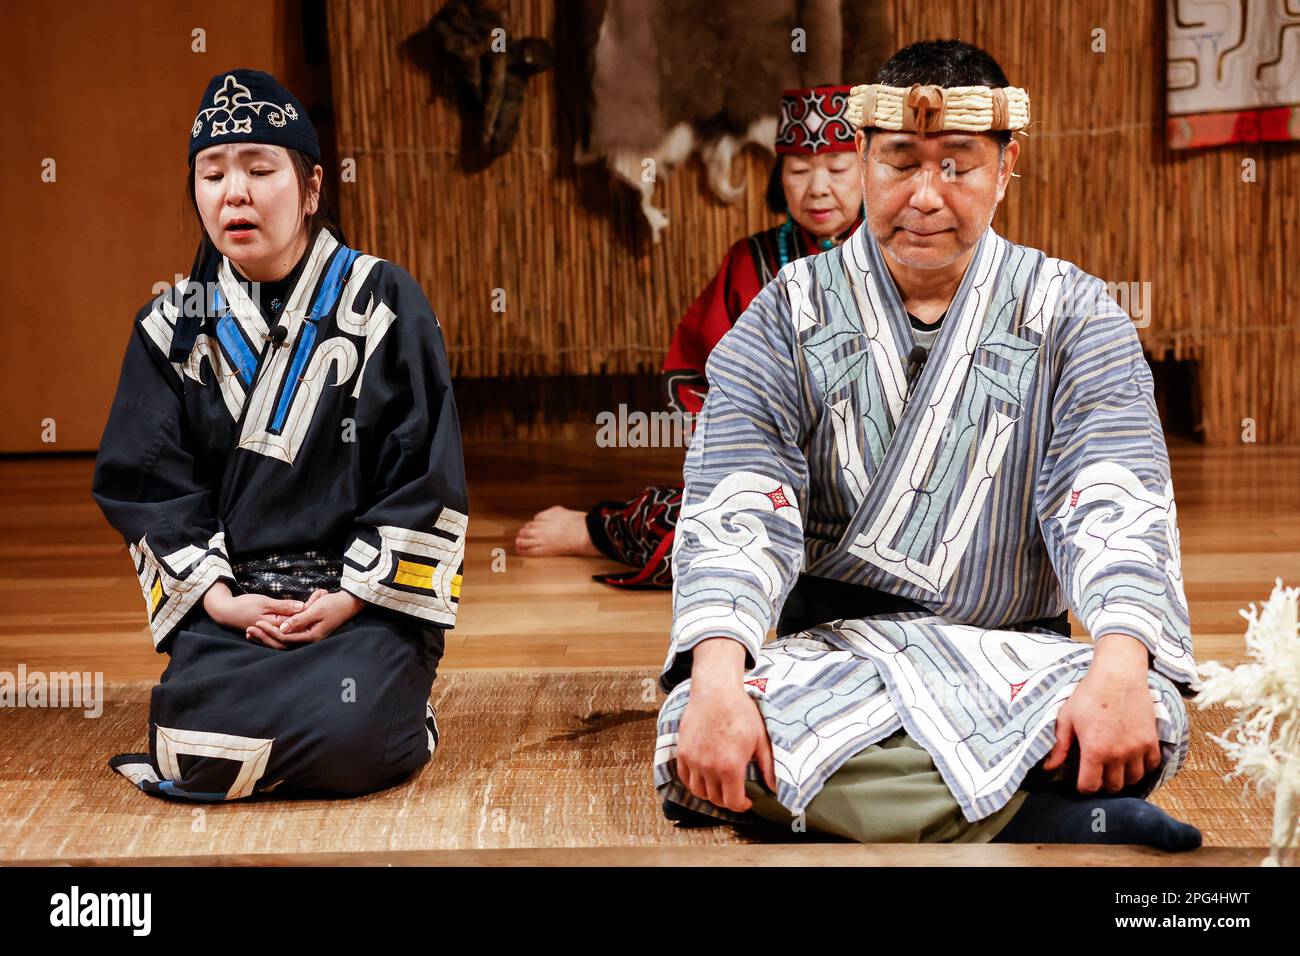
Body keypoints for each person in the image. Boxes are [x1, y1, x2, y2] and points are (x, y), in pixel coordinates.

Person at [654, 40, 1204, 849]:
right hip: (829, 657)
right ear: (865, 161)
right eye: (901, 161)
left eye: (959, 165)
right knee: (696, 725)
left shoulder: (1078, 317)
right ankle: (1037, 810)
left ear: (1006, 169)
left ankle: (840, 812)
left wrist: (1118, 667)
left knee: (1141, 710)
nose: (925, 196)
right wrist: (715, 681)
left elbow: (1114, 497)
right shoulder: (782, 317)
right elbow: (737, 503)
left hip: (1016, 658)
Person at [91, 69, 468, 802]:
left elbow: (428, 473)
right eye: (213, 174)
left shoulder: (387, 302)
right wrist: (224, 600)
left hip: (361, 601)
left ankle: (394, 714)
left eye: (261, 170)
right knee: (190, 744)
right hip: (237, 605)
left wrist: (352, 596)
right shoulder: (170, 329)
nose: (235, 193)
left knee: (350, 735)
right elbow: (148, 485)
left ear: (313, 186)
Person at [515, 86, 864, 588]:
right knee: (696, 523)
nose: (818, 187)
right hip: (771, 468)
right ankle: (597, 531)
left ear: (868, 168)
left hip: (876, 473)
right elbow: (701, 373)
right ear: (778, 178)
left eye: (837, 167)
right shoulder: (752, 261)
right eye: (799, 170)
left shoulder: (899, 257)